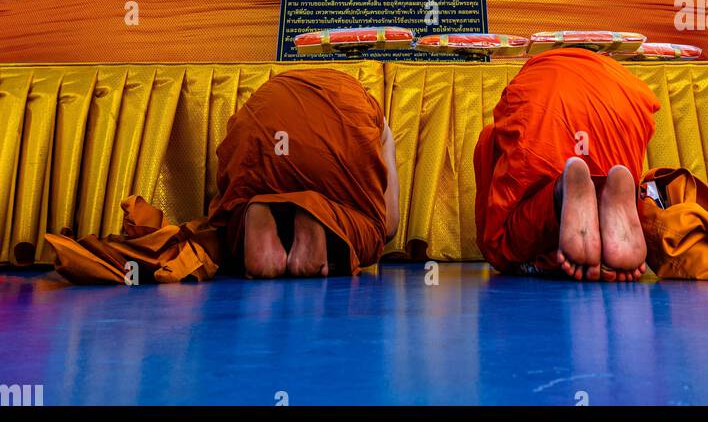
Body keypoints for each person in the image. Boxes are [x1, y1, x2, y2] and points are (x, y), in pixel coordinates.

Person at [46, 68, 400, 284]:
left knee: (233, 215)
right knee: (370, 232)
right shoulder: (374, 112)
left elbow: (229, 184)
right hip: (340, 128)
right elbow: (389, 222)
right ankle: (316, 214)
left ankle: (254, 212)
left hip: (265, 119)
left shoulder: (287, 87)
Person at [474, 48, 658, 281]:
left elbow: (503, 200)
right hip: (621, 95)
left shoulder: (536, 75)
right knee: (610, 167)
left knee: (502, 245)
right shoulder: (616, 74)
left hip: (542, 92)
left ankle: (562, 191)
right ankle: (606, 202)